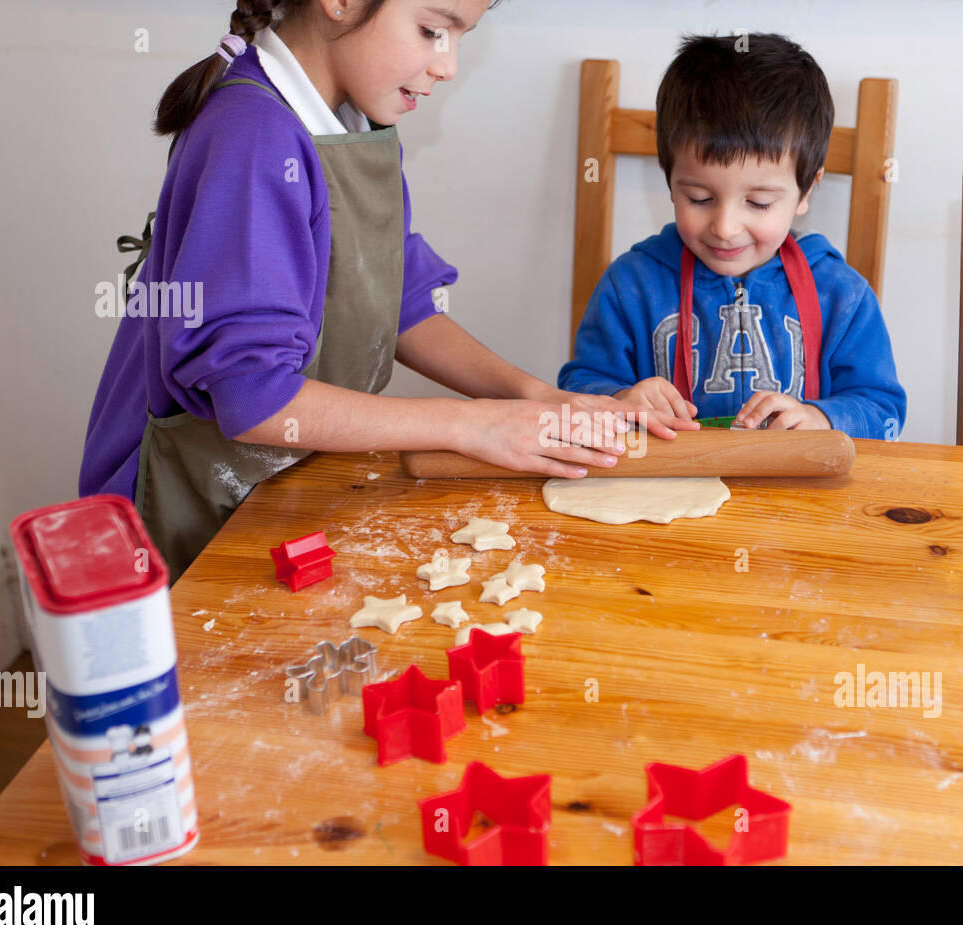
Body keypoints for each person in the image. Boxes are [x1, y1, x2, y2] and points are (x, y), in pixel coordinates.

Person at [80, 0, 690, 579]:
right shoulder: (252, 138)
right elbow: (252, 394)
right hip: (179, 520)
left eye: (459, 38)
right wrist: (469, 427)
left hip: (277, 488)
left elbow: (398, 303)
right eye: (432, 29)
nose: (448, 65)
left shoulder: (349, 121)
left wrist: (535, 397)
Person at [559, 33, 906, 439]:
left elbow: (884, 413)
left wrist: (823, 419)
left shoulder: (841, 294)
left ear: (806, 192)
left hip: (798, 499)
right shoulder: (629, 286)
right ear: (670, 181)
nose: (724, 228)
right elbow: (576, 390)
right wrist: (620, 400)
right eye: (700, 197)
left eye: (758, 203)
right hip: (668, 492)